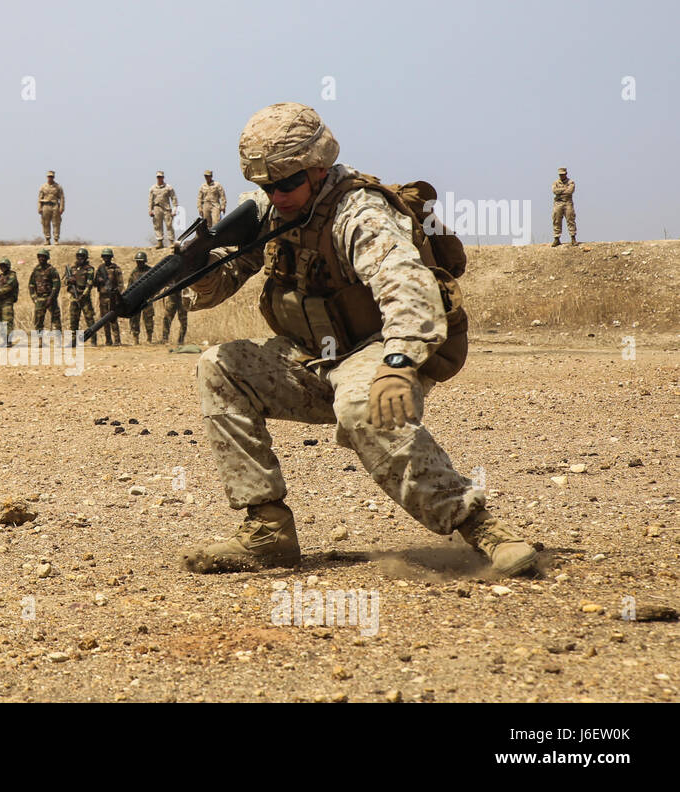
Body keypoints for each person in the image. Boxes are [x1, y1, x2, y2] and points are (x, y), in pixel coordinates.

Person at [178, 101, 536, 578]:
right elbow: (224, 283)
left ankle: (480, 527)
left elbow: (407, 287)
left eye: (287, 183)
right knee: (219, 366)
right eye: (267, 185)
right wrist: (198, 269)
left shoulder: (359, 212)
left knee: (363, 406)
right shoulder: (268, 212)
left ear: (318, 167)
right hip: (311, 357)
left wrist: (398, 361)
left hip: (373, 348)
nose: (277, 195)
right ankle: (268, 533)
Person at [64, 247, 97, 347]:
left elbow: (90, 284)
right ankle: (74, 341)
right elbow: (64, 282)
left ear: (86, 257)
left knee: (89, 319)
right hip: (74, 298)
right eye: (78, 256)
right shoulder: (72, 269)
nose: (80, 258)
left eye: (82, 256)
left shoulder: (89, 269)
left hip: (84, 298)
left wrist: (83, 295)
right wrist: (69, 281)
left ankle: (93, 340)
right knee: (74, 320)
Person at [94, 248, 124, 345]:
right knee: (104, 319)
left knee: (113, 318)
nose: (106, 258)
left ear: (111, 257)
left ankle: (117, 340)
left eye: (108, 256)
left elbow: (120, 284)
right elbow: (94, 283)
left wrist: (117, 293)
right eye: (105, 256)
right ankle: (108, 340)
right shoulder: (100, 268)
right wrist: (99, 280)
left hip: (112, 297)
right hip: (102, 297)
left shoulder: (116, 269)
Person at [28, 249, 62, 334]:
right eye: (40, 257)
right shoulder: (36, 270)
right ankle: (39, 340)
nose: (41, 259)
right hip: (39, 299)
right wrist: (34, 298)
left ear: (47, 258)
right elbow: (31, 285)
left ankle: (57, 340)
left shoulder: (52, 270)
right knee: (38, 321)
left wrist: (51, 298)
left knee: (56, 319)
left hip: (51, 298)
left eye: (43, 257)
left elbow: (56, 285)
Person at [128, 251, 155, 344]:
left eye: (141, 261)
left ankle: (149, 338)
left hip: (147, 299)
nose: (139, 263)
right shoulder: (133, 273)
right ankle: (136, 339)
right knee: (135, 319)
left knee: (148, 318)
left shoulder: (151, 271)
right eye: (138, 261)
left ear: (145, 261)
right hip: (136, 300)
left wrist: (151, 296)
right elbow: (129, 287)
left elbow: (156, 285)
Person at [149, 171, 179, 248]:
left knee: (169, 225)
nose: (159, 178)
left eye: (161, 177)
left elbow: (174, 198)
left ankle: (171, 242)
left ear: (163, 177)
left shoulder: (168, 187)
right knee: (157, 225)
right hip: (156, 208)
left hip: (166, 209)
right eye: (158, 177)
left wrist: (175, 209)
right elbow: (150, 200)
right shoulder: (152, 188)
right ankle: (160, 242)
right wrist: (150, 210)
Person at [0, 258, 19, 340]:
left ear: (8, 266)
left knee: (7, 321)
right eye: (1, 266)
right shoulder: (0, 276)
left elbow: (8, 287)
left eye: (4, 265)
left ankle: (8, 340)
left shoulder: (12, 275)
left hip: (7, 301)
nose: (2, 267)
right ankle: (3, 339)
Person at [37, 171, 65, 245]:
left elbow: (62, 198)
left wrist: (61, 207)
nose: (50, 178)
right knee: (45, 223)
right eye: (49, 176)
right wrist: (39, 208)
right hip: (45, 206)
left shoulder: (58, 187)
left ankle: (56, 239)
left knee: (56, 223)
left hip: (55, 206)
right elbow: (39, 198)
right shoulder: (43, 187)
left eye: (51, 176)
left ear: (54, 177)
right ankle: (47, 239)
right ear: (47, 177)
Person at [552, 167, 577, 247]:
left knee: (570, 219)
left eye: (563, 174)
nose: (561, 176)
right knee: (556, 219)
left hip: (567, 203)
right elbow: (554, 191)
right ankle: (556, 238)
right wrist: (564, 189)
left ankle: (573, 238)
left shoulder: (571, 182)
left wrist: (560, 191)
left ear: (566, 174)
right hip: (558, 203)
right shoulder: (555, 182)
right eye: (560, 175)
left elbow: (570, 191)